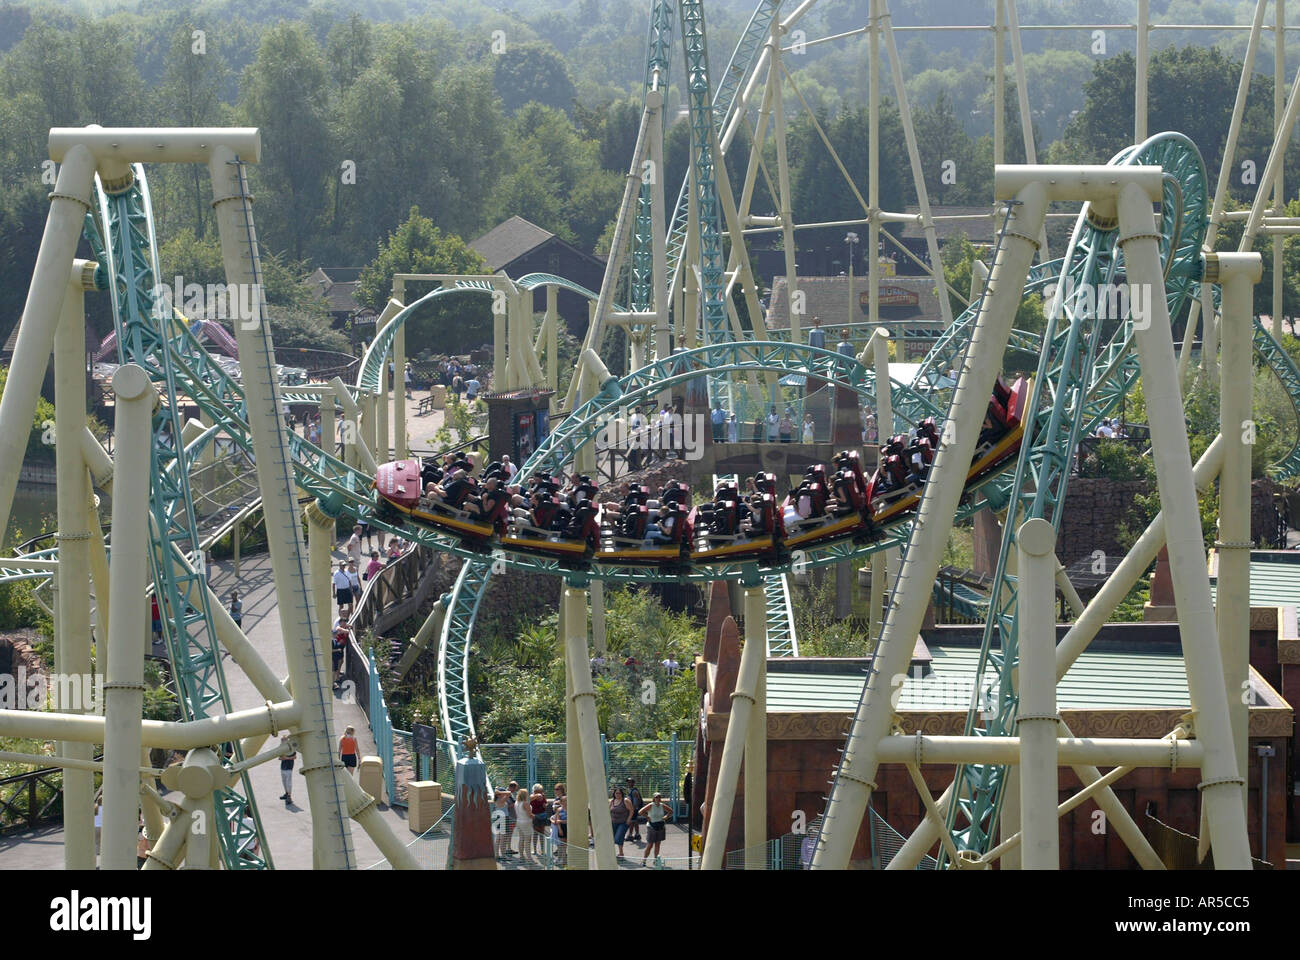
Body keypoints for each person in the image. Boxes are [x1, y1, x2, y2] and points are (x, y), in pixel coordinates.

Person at [639, 792, 673, 867]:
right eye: (656, 797)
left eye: (659, 797)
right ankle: (644, 860)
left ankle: (656, 860)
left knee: (657, 845)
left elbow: (671, 811)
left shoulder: (662, 805)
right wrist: (647, 817)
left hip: (661, 826)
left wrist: (666, 817)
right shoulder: (651, 805)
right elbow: (640, 812)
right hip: (651, 827)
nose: (658, 799)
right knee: (650, 845)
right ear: (654, 798)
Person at [609, 786, 634, 859]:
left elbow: (631, 810)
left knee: (618, 837)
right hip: (613, 822)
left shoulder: (625, 800)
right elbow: (608, 811)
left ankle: (621, 853)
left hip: (623, 823)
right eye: (616, 793)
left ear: (622, 794)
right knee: (613, 838)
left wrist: (629, 819)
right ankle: (620, 853)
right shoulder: (612, 801)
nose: (618, 794)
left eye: (619, 793)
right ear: (614, 794)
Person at [530, 783, 549, 859]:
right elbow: (529, 800)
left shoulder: (543, 796)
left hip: (542, 815)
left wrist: (545, 805)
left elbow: (545, 804)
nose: (540, 792)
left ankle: (542, 850)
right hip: (535, 816)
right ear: (534, 791)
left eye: (541, 791)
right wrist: (536, 796)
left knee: (542, 833)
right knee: (535, 833)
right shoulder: (532, 796)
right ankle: (534, 850)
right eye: (538, 791)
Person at [514, 787, 533, 864]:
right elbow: (529, 814)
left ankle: (521, 856)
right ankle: (529, 859)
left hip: (519, 821)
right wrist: (535, 816)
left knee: (521, 839)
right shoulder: (525, 803)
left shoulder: (516, 802)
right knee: (527, 841)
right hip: (526, 822)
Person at [625, 777, 645, 844]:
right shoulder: (631, 790)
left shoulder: (634, 791)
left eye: (630, 782)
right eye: (628, 782)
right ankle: (637, 834)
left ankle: (630, 835)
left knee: (631, 822)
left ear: (633, 783)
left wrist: (633, 809)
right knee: (635, 822)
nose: (629, 783)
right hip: (634, 809)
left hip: (634, 809)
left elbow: (637, 800)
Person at [279, 736, 296, 804]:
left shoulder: (291, 747)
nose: (282, 742)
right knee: (284, 782)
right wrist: (285, 758)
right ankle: (286, 794)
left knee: (288, 783)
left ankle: (289, 797)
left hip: (289, 767)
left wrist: (286, 758)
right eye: (282, 740)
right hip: (283, 767)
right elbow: (280, 758)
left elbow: (294, 757)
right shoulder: (281, 749)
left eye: (283, 740)